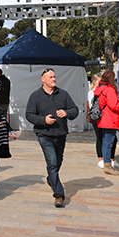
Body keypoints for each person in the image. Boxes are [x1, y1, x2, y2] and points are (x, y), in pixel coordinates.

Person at [25, 68, 79, 208]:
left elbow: (75, 110)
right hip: (44, 135)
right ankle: (59, 195)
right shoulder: (35, 96)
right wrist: (44, 120)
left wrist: (66, 113)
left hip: (60, 134)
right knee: (53, 163)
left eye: (54, 77)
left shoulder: (63, 94)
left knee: (58, 162)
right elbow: (29, 115)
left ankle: (51, 178)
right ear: (43, 79)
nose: (53, 79)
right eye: (50, 77)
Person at [95, 70, 119, 176]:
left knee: (105, 142)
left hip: (104, 119)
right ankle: (108, 166)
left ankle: (105, 163)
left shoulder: (100, 88)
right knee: (109, 143)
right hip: (111, 119)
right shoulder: (110, 90)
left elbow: (110, 103)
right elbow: (114, 106)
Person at [86, 73, 113, 169]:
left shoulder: (104, 90)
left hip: (104, 116)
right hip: (96, 117)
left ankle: (110, 159)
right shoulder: (92, 92)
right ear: (94, 82)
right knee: (100, 137)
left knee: (107, 138)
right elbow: (93, 105)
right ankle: (101, 159)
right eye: (99, 81)